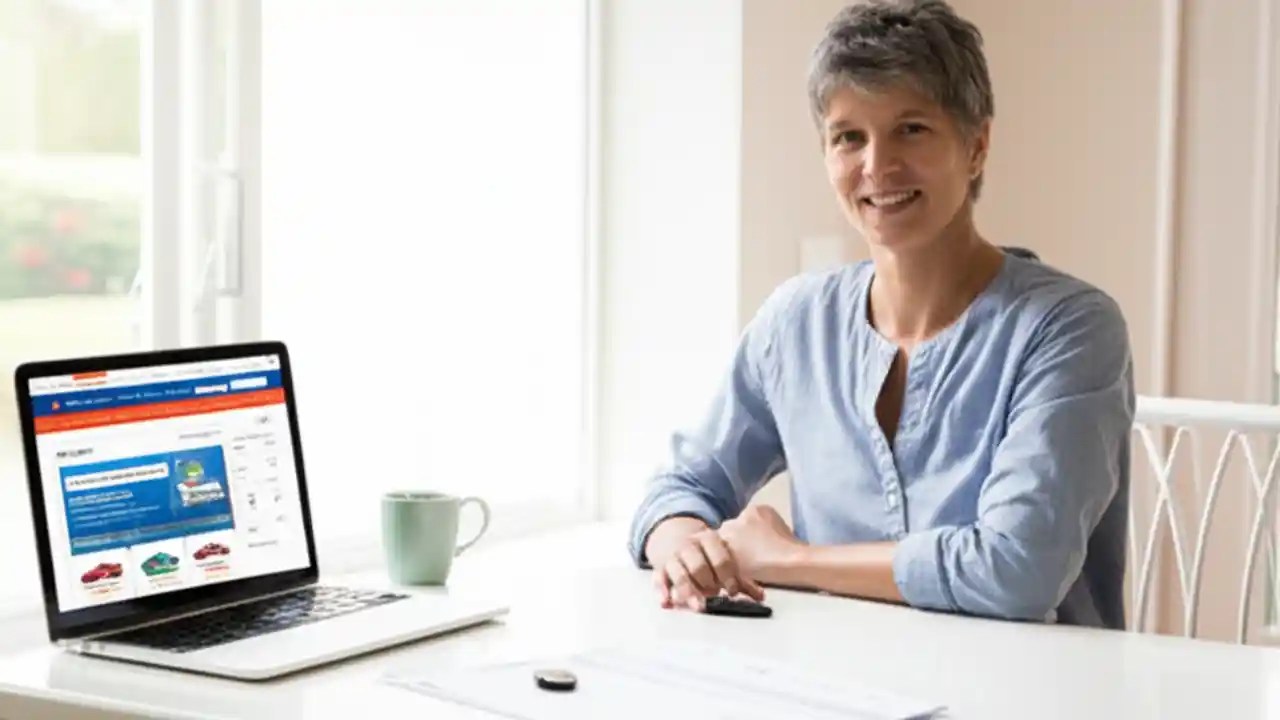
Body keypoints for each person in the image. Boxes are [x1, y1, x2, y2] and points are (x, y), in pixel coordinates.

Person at [627, 0, 1134, 629]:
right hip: (838, 686)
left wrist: (793, 558)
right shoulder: (795, 325)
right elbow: (676, 489)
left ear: (976, 146)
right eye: (849, 137)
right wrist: (682, 543)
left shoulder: (1069, 329)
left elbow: (1018, 571)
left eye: (911, 129)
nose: (877, 166)